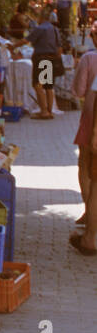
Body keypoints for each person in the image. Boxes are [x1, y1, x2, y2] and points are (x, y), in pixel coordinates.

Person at [71, 28, 97, 227]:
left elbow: (78, 90)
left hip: (91, 119)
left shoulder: (89, 58)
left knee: (86, 166)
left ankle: (90, 212)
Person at [19, 6, 62, 119]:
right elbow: (59, 49)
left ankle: (44, 111)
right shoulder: (54, 29)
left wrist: (13, 45)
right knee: (48, 86)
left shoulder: (40, 28)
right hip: (51, 59)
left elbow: (26, 40)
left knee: (38, 85)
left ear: (41, 18)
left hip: (41, 58)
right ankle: (49, 110)